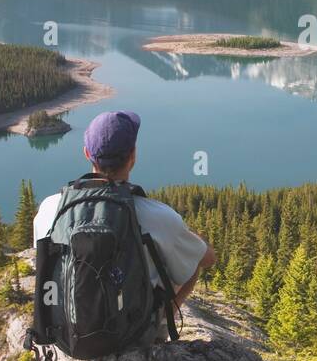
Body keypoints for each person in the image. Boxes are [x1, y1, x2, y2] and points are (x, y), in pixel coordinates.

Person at [32, 111, 215, 342]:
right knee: (190, 264)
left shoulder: (49, 209)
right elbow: (207, 258)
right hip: (132, 336)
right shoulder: (158, 216)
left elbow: (45, 265)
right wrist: (192, 239)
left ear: (87, 153)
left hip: (68, 337)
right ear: (133, 156)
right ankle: (156, 327)